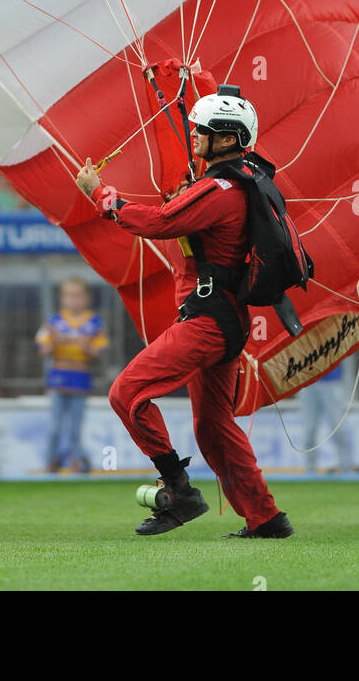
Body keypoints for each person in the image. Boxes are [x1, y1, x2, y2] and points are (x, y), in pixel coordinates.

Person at [76, 85, 294, 539]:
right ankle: (266, 519)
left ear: (228, 138)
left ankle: (178, 488)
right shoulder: (234, 182)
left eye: (204, 129)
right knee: (213, 426)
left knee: (127, 392)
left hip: (209, 321)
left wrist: (103, 197)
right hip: (223, 319)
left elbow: (159, 223)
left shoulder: (218, 189)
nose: (194, 134)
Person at [36, 277, 108, 473]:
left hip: (81, 378)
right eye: (69, 296)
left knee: (76, 428)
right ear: (62, 298)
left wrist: (86, 346)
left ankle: (76, 463)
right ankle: (51, 463)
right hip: (58, 378)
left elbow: (100, 351)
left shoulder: (94, 322)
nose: (73, 300)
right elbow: (42, 348)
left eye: (77, 296)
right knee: (55, 427)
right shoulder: (55, 321)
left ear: (86, 298)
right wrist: (55, 343)